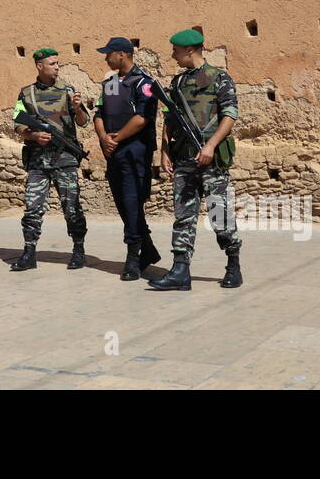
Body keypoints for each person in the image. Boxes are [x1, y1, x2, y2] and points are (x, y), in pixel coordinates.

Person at [149, 29, 243, 291]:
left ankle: (233, 263)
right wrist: (164, 150)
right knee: (183, 215)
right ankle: (180, 270)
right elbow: (169, 118)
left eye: (175, 50)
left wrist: (211, 145)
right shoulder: (177, 83)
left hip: (211, 160)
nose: (172, 55)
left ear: (189, 50)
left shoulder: (219, 78)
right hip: (183, 159)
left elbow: (230, 114)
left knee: (219, 214)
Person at [9, 48, 90, 272]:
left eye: (58, 63)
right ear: (39, 66)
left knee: (71, 207)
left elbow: (83, 122)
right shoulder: (26, 94)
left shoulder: (68, 90)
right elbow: (17, 123)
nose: (56, 67)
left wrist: (77, 108)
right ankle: (29, 252)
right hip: (37, 160)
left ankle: (79, 250)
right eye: (52, 63)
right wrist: (34, 135)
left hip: (65, 159)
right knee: (32, 208)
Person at [93, 37, 162, 280]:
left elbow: (142, 118)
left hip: (135, 153)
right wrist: (104, 138)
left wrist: (116, 138)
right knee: (123, 204)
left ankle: (133, 258)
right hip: (114, 152)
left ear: (122, 54)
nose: (105, 58)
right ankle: (149, 249)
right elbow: (99, 112)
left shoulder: (143, 82)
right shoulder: (110, 83)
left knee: (133, 203)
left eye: (108, 54)